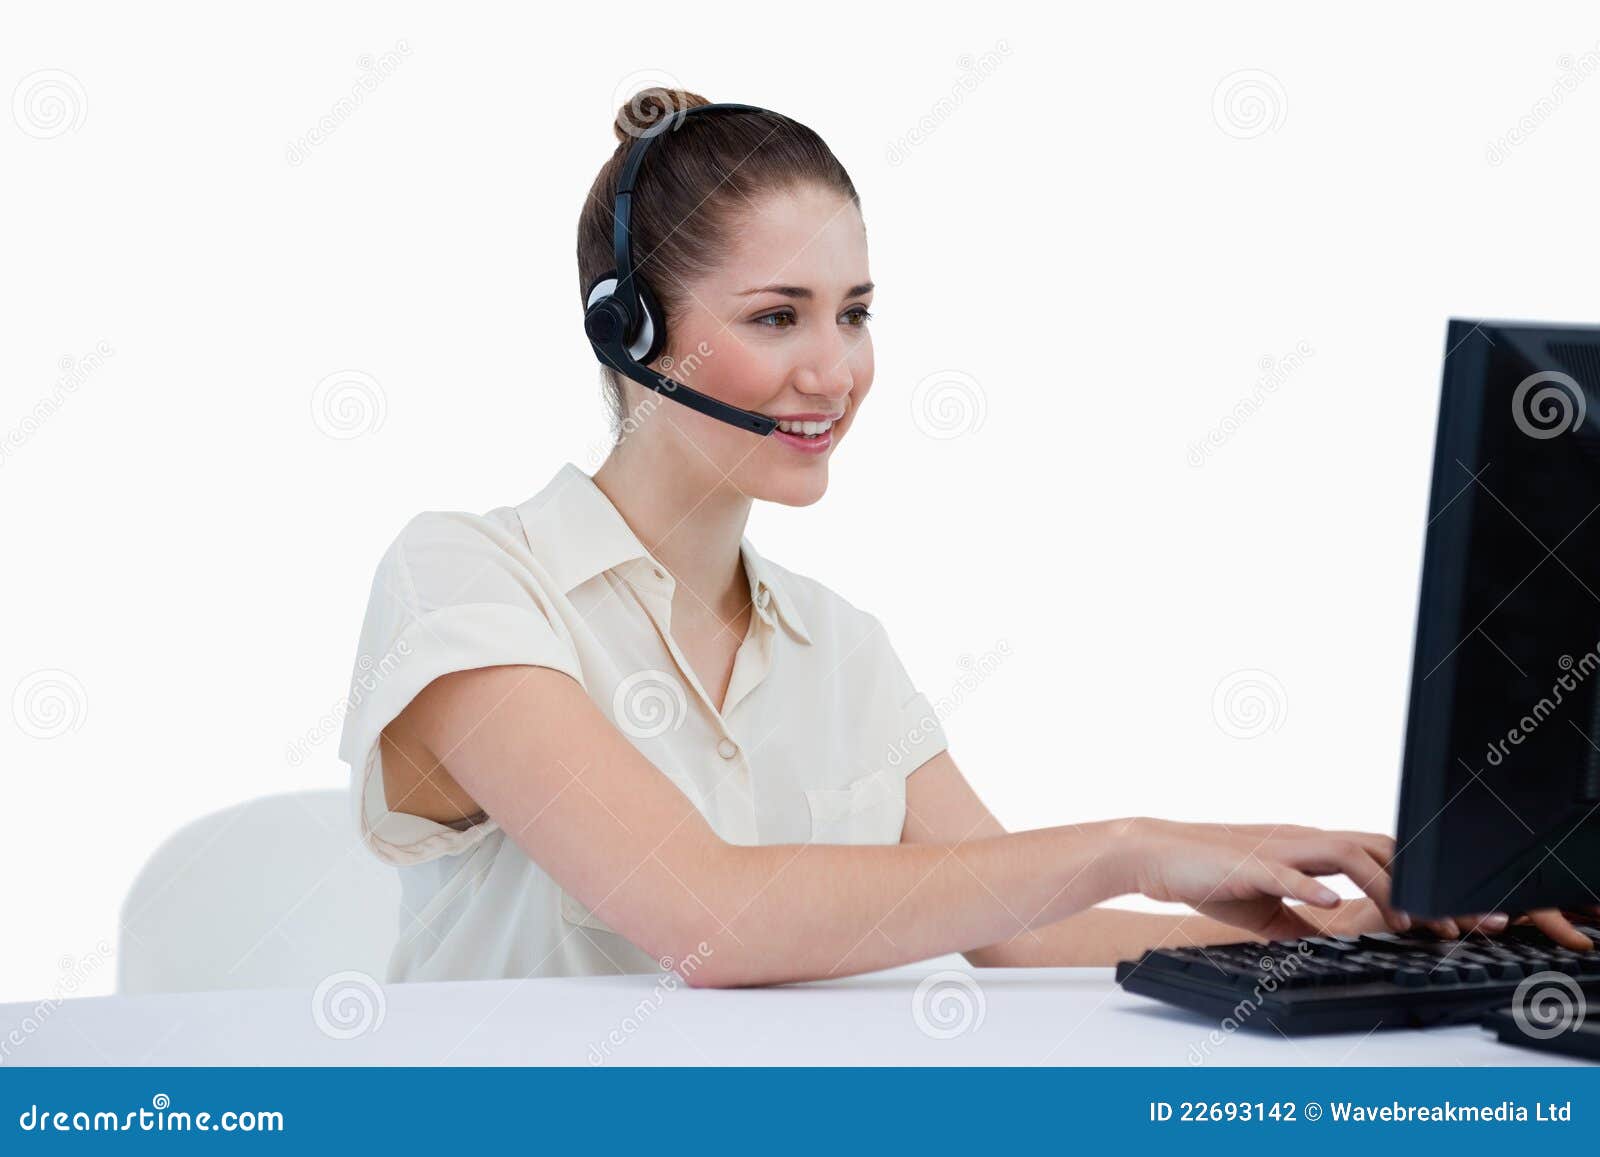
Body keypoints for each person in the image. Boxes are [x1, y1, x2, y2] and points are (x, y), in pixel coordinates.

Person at [336, 88, 1584, 988]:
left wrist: (1358, 927)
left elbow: (1017, 928)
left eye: (854, 313)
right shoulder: (467, 579)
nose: (834, 370)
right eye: (776, 317)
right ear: (627, 334)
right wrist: (1131, 844)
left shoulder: (839, 647)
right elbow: (706, 914)